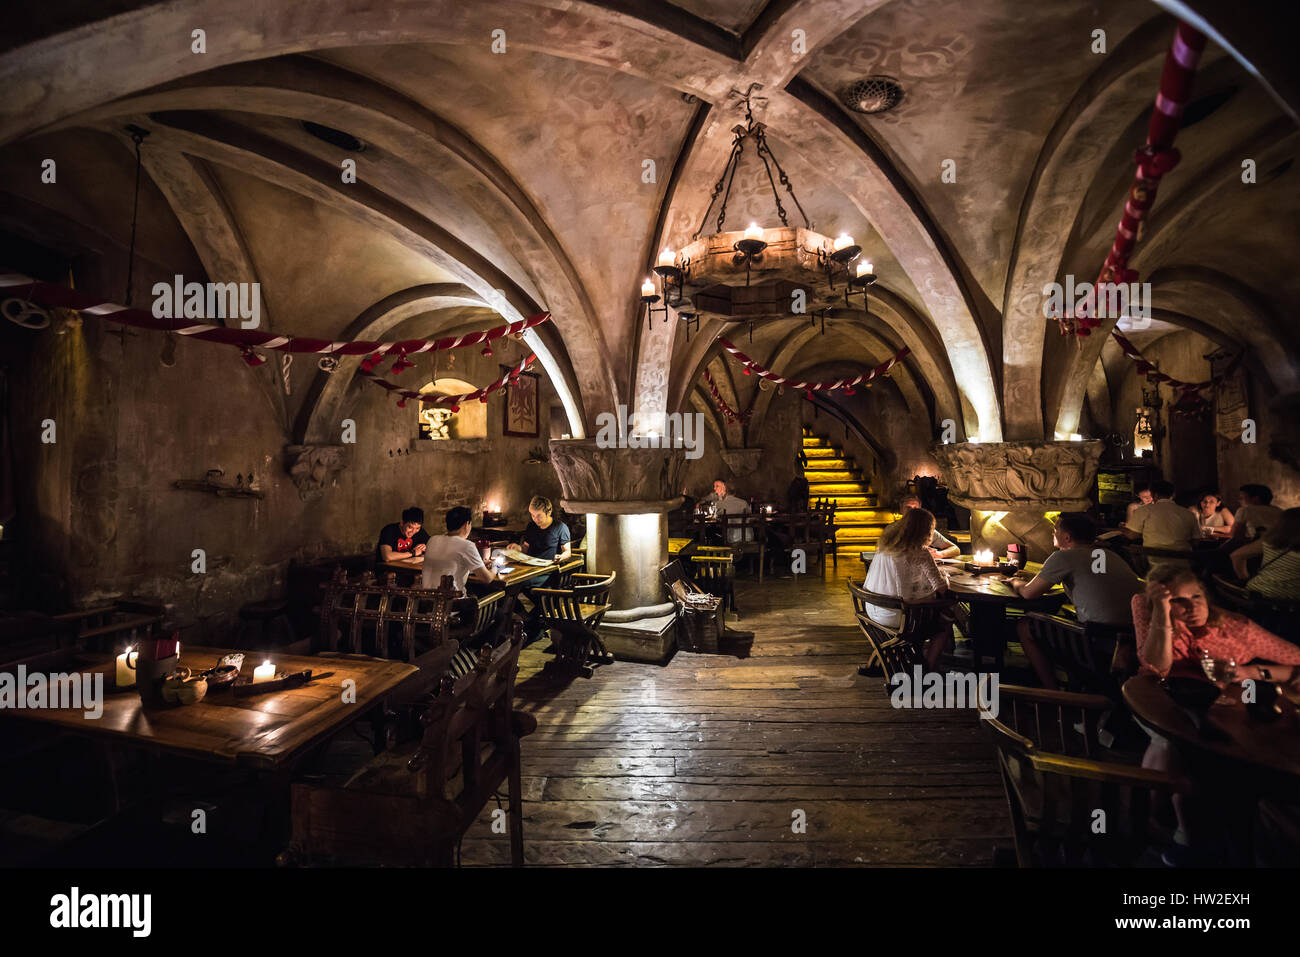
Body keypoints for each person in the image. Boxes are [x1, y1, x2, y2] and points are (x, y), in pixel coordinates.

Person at [1000, 513, 1143, 688]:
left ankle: (1052, 692)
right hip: (1132, 637)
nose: (1053, 534)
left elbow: (1029, 593)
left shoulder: (1064, 557)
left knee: (1025, 625)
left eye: (1055, 531)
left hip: (1097, 638)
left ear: (1066, 537)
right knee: (1058, 616)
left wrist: (1015, 582)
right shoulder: (1108, 555)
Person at [1132, 565, 1300, 679]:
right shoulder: (1146, 606)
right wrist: (1161, 612)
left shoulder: (1238, 628)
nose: (1193, 607)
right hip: (1163, 700)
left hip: (1218, 705)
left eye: (1196, 596)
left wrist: (1251, 672)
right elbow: (1156, 668)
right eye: (1178, 600)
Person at [862, 508, 954, 669]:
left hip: (873, 610)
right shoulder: (921, 552)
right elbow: (941, 588)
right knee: (945, 622)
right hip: (899, 617)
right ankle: (929, 668)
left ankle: (914, 655)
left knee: (937, 611)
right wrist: (946, 577)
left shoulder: (886, 546)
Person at [422, 506, 500, 595]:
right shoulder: (467, 545)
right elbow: (487, 579)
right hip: (452, 604)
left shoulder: (433, 539)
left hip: (426, 601)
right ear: (467, 524)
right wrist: (496, 566)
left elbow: (451, 565)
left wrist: (480, 564)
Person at [1231, 507, 1300, 600]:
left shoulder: (1269, 541)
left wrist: (1245, 579)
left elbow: (1236, 556)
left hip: (1254, 593)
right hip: (1286, 604)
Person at [1122, 479, 1198, 561]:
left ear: (1154, 495)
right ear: (1173, 495)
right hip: (1183, 561)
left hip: (1153, 561)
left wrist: (1123, 529)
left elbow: (1132, 535)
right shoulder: (1188, 513)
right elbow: (1196, 541)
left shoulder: (1143, 511)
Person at [900, 494, 959, 559]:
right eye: (908, 508)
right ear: (901, 510)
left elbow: (955, 549)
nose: (912, 511)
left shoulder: (926, 529)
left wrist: (939, 554)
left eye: (915, 508)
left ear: (920, 510)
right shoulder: (892, 530)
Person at [700, 479, 750, 544]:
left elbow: (716, 518)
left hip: (731, 538)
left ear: (724, 489)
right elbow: (749, 517)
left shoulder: (719, 504)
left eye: (717, 486)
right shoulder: (744, 502)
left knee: (710, 534)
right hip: (748, 537)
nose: (714, 489)